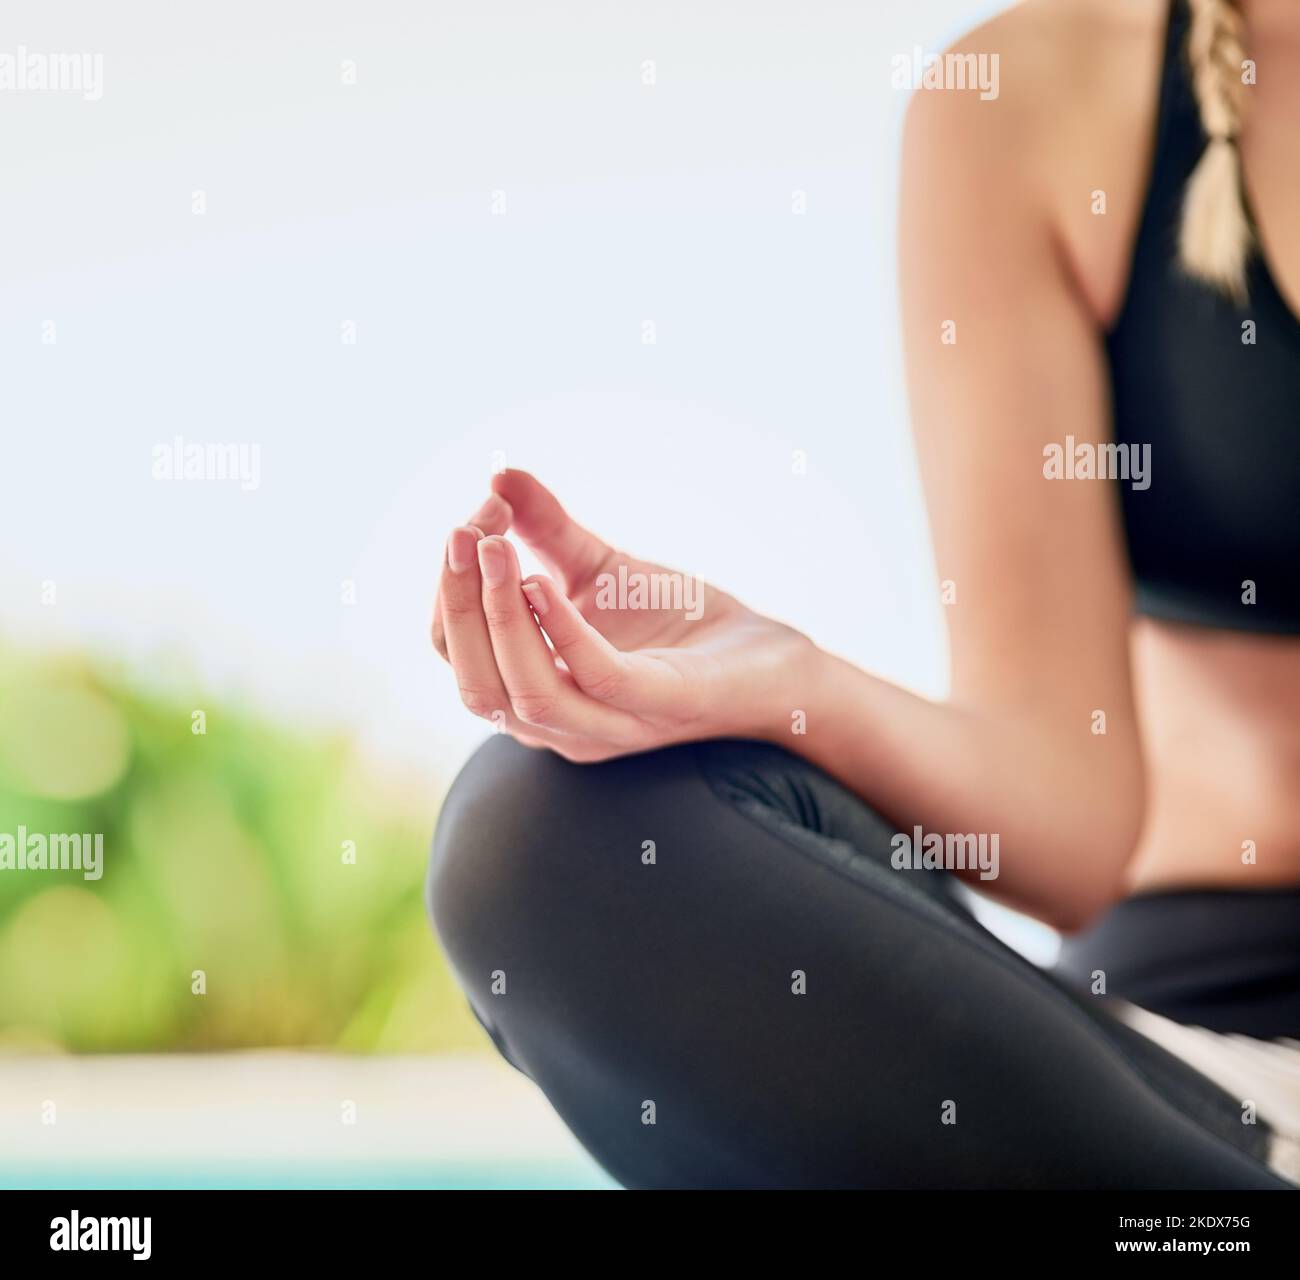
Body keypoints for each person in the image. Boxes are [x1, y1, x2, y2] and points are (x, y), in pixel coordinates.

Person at [425, 0, 1299, 1188]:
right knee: (547, 830)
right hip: (1206, 1092)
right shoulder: (1038, 95)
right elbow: (1065, 818)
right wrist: (790, 681)